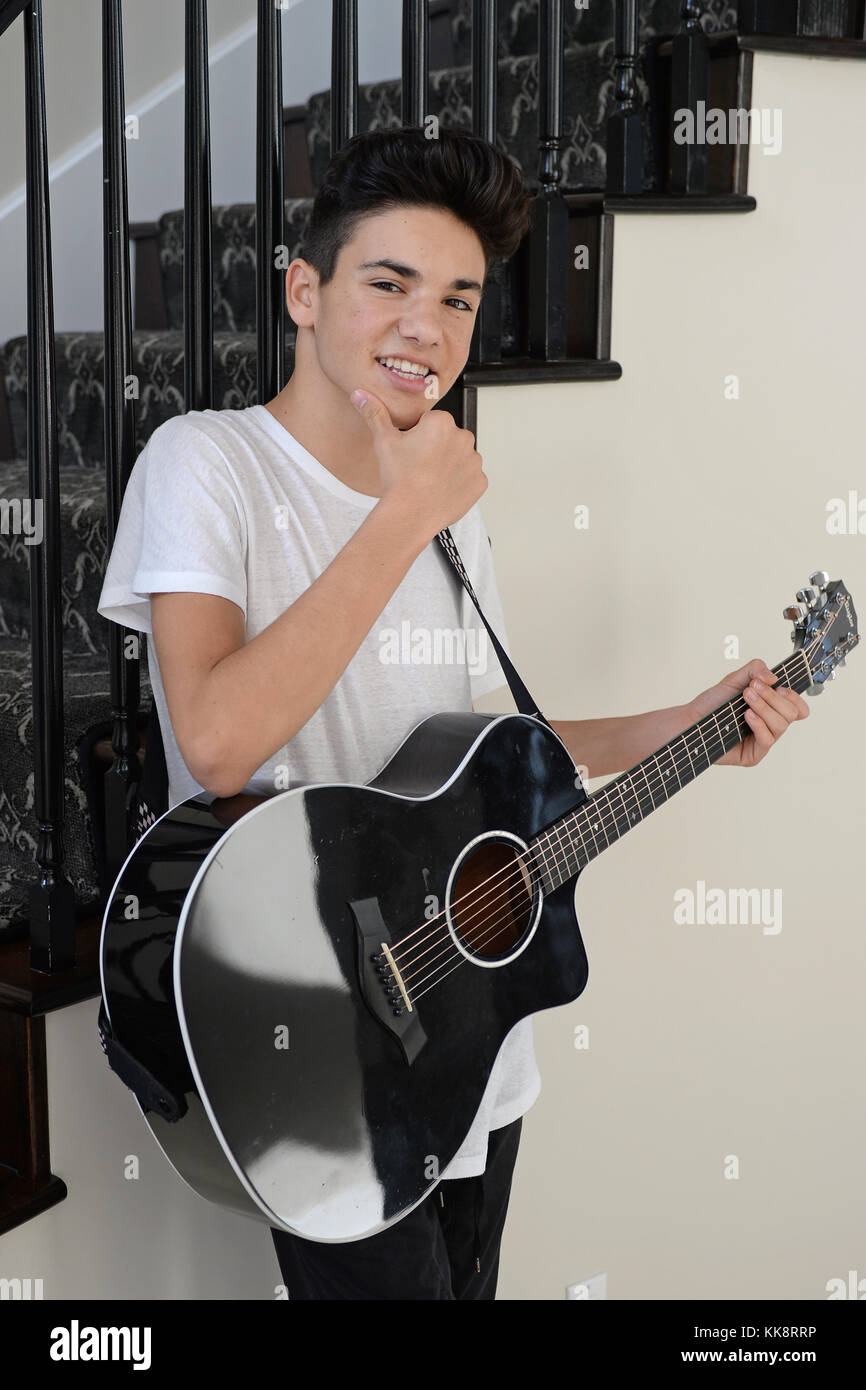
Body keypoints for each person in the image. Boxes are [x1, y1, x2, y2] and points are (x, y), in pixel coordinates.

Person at [97, 125, 808, 1301]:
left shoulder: (444, 503)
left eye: (458, 301)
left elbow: (465, 750)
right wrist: (399, 510)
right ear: (304, 291)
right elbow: (218, 738)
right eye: (388, 285)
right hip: (315, 1034)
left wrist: (681, 728)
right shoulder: (207, 464)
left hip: (469, 1027)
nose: (426, 330)